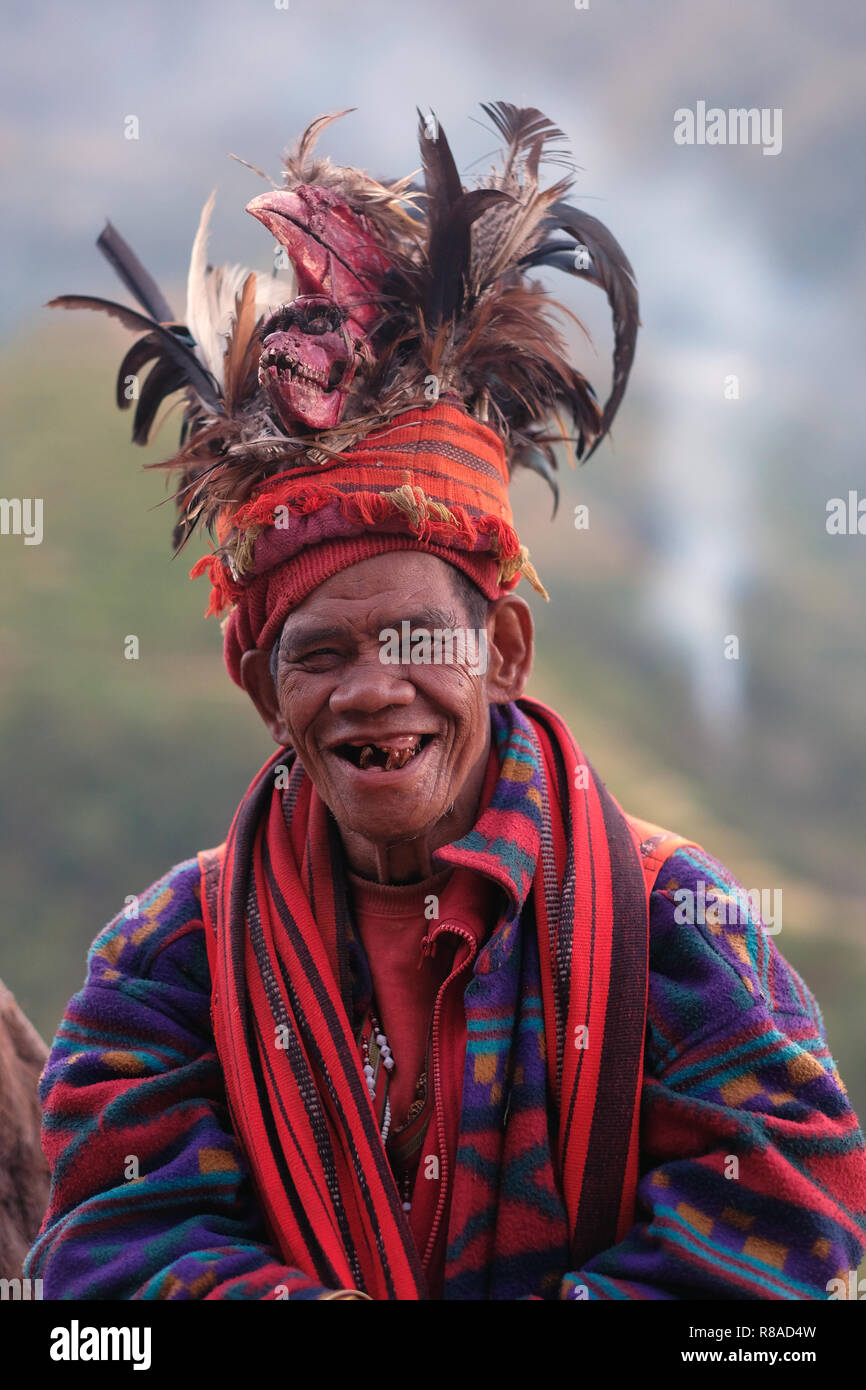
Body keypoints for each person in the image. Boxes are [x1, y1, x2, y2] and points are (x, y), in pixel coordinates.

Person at [26, 104, 866, 1301]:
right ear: (259, 686)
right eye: (318, 655)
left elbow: (783, 1221)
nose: (376, 688)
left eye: (420, 635)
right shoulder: (163, 964)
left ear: (506, 650)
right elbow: (111, 1264)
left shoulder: (677, 925)